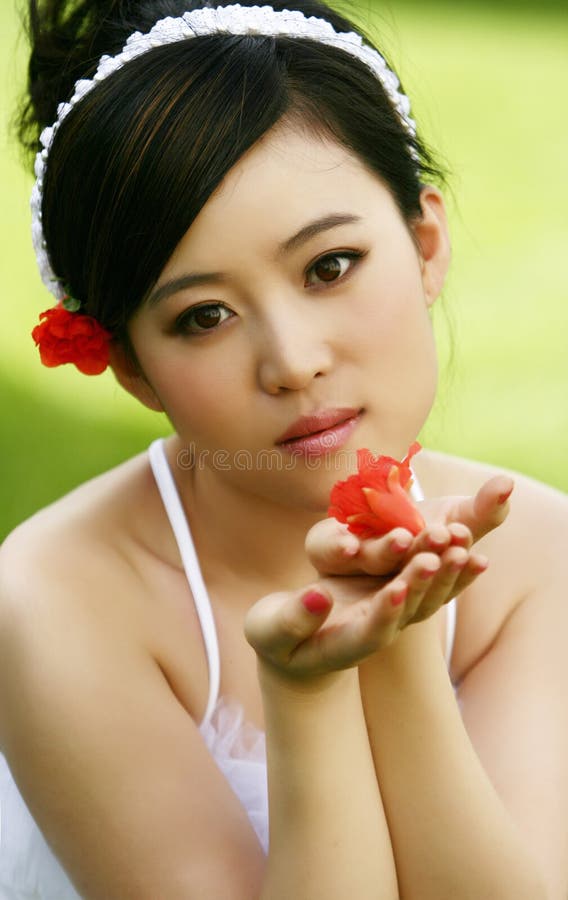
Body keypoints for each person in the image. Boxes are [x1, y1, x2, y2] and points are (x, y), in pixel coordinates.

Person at [0, 0, 566, 897]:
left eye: (330, 265)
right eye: (204, 317)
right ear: (133, 370)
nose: (294, 362)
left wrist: (402, 647)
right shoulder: (59, 597)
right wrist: (305, 699)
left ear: (425, 242)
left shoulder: (536, 550)